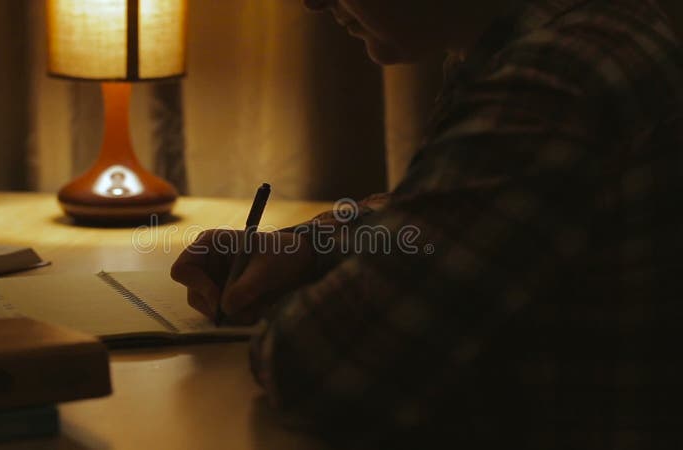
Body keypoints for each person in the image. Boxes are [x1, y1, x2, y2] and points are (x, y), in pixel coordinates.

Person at [172, 0, 683, 446]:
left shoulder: (557, 79)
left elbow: (322, 369)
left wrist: (302, 303)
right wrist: (315, 242)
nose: (312, 2)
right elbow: (436, 206)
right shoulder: (580, 29)